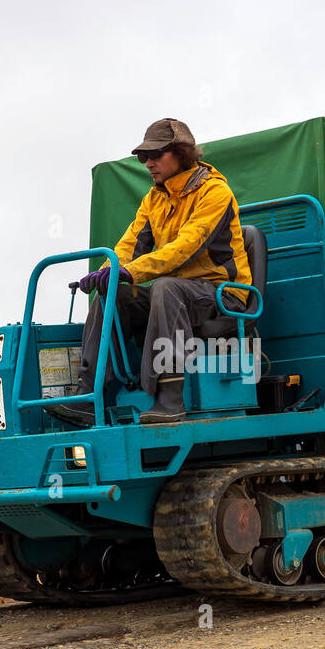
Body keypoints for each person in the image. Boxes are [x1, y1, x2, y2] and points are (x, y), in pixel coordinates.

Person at [47, 118, 252, 426]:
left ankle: (171, 399)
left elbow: (185, 247)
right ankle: (89, 396)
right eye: (144, 157)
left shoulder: (214, 193)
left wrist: (130, 272)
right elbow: (129, 245)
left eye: (155, 155)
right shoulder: (154, 198)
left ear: (181, 154)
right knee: (113, 295)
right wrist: (106, 272)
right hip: (181, 293)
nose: (148, 163)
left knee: (166, 288)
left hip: (223, 295)